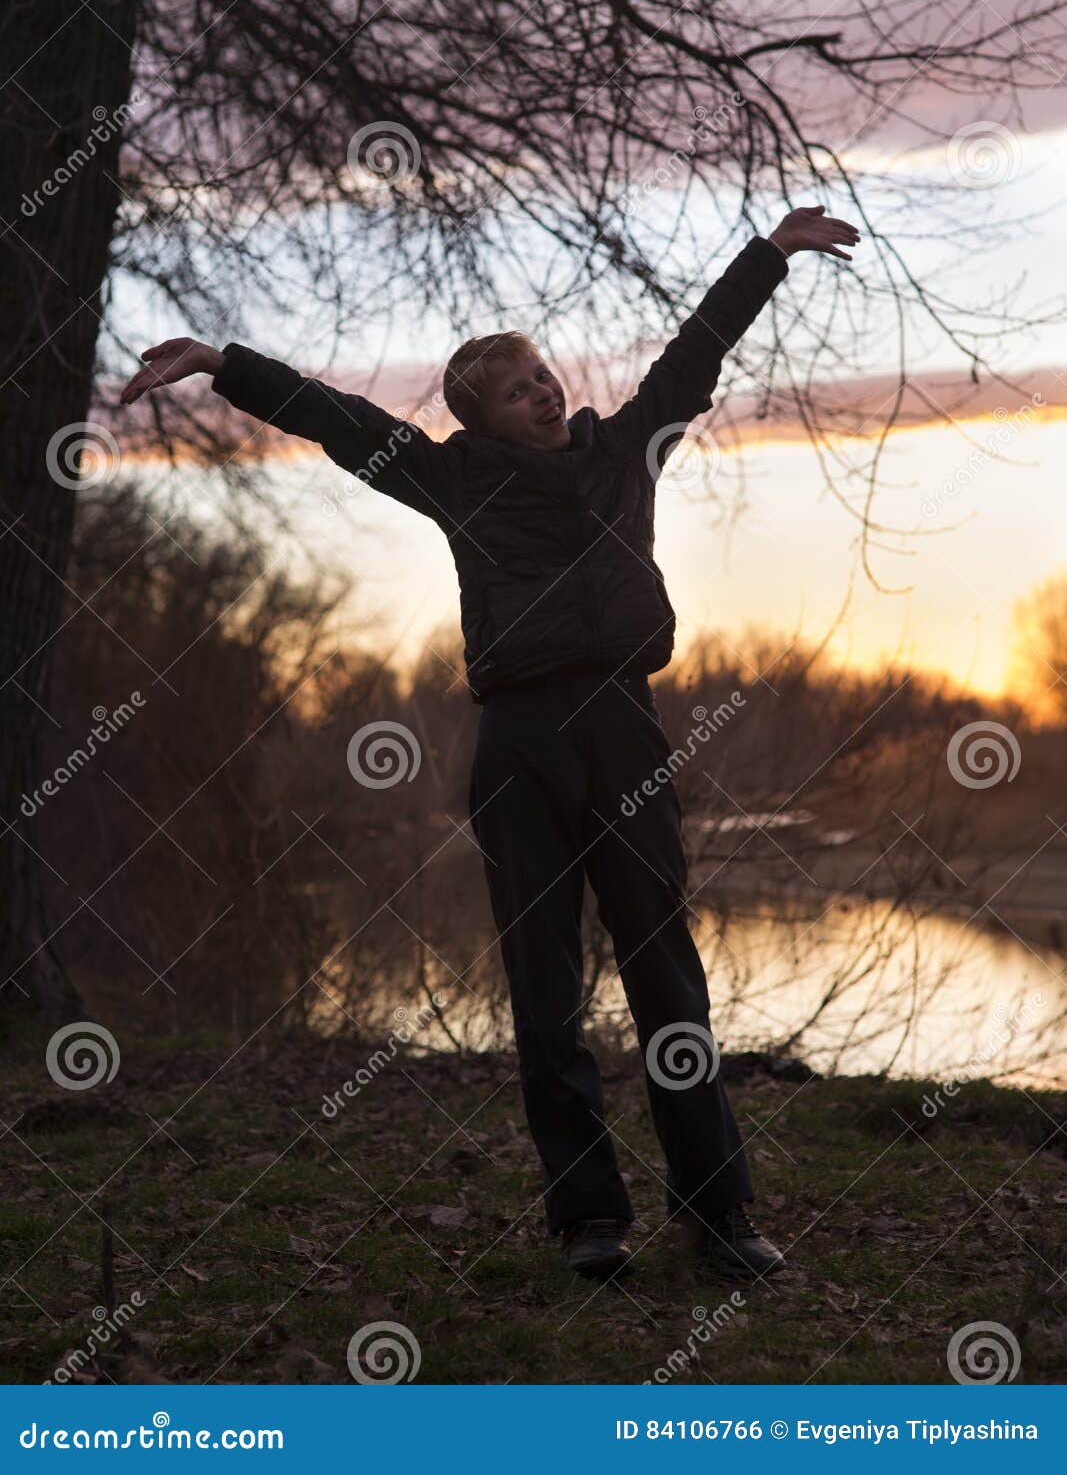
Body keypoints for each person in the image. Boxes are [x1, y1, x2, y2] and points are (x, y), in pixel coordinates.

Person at [121, 203, 860, 1283]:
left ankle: (720, 1212)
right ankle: (589, 1221)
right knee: (543, 985)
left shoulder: (623, 455)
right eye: (517, 389)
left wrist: (770, 253)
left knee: (668, 979)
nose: (544, 392)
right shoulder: (452, 479)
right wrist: (224, 362)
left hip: (623, 728)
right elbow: (340, 421)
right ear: (483, 416)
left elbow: (694, 353)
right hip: (520, 744)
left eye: (543, 376)